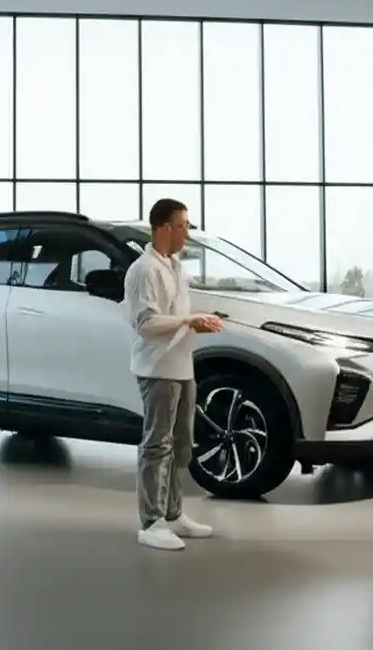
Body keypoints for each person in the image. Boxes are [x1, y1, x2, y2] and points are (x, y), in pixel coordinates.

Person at [122, 198, 224, 551]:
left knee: (180, 444)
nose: (187, 232)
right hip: (157, 369)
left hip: (182, 367)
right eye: (183, 225)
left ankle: (174, 513)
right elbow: (146, 324)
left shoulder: (176, 267)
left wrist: (198, 322)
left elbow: (175, 315)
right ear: (164, 227)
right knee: (156, 445)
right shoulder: (143, 270)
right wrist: (187, 320)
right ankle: (151, 521)